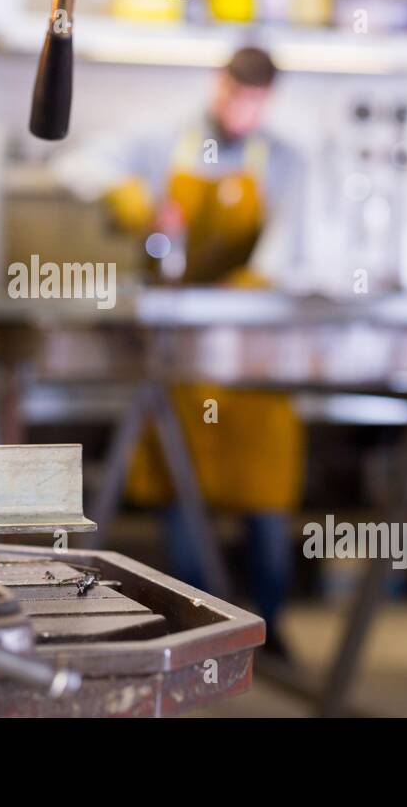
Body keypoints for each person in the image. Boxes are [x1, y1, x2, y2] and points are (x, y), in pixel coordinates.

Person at [54, 46, 307, 658]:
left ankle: (268, 630)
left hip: (252, 356)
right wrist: (136, 201)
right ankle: (196, 625)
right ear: (218, 86)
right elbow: (75, 165)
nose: (242, 110)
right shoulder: (165, 141)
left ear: (268, 100)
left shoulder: (287, 162)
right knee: (181, 491)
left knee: (265, 498)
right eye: (235, 95)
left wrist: (241, 291)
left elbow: (287, 253)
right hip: (182, 359)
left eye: (255, 101)